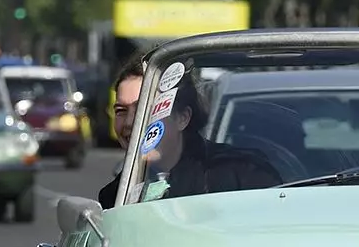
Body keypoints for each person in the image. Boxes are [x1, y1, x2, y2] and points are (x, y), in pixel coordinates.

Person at [98, 56, 282, 208]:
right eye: (121, 111)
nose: (130, 123)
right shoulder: (113, 196)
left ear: (182, 118)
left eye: (144, 110)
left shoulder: (243, 176)